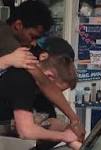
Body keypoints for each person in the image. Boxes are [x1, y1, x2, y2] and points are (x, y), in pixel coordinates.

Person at [0, 0, 85, 141]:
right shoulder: (9, 42)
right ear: (18, 26)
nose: (33, 43)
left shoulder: (26, 46)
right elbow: (44, 82)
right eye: (33, 36)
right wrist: (74, 120)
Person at [0, 37, 82, 150]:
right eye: (58, 90)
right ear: (49, 76)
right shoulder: (22, 78)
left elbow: (53, 122)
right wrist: (64, 136)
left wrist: (74, 126)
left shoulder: (38, 83)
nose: (56, 95)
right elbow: (26, 131)